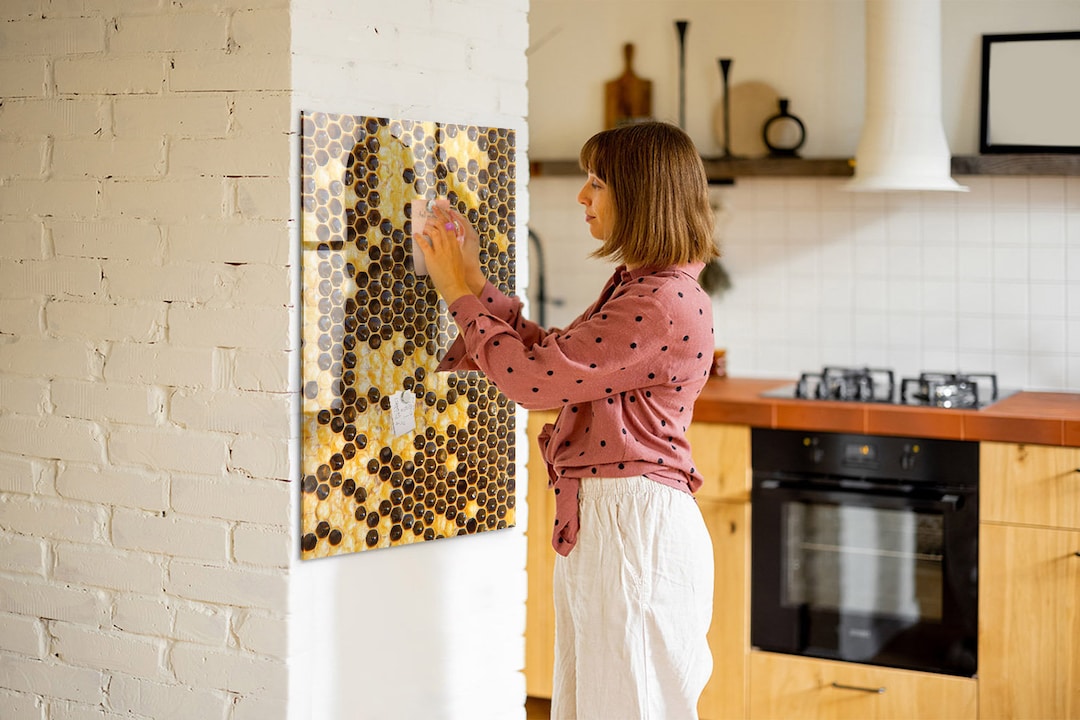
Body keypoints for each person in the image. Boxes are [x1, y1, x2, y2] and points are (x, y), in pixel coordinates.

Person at [417, 121, 718, 720]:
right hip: (617, 521)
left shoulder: (659, 302)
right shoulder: (644, 287)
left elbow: (535, 382)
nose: (583, 197)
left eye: (597, 182)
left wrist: (457, 291)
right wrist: (475, 283)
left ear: (641, 195)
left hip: (633, 528)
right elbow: (555, 358)